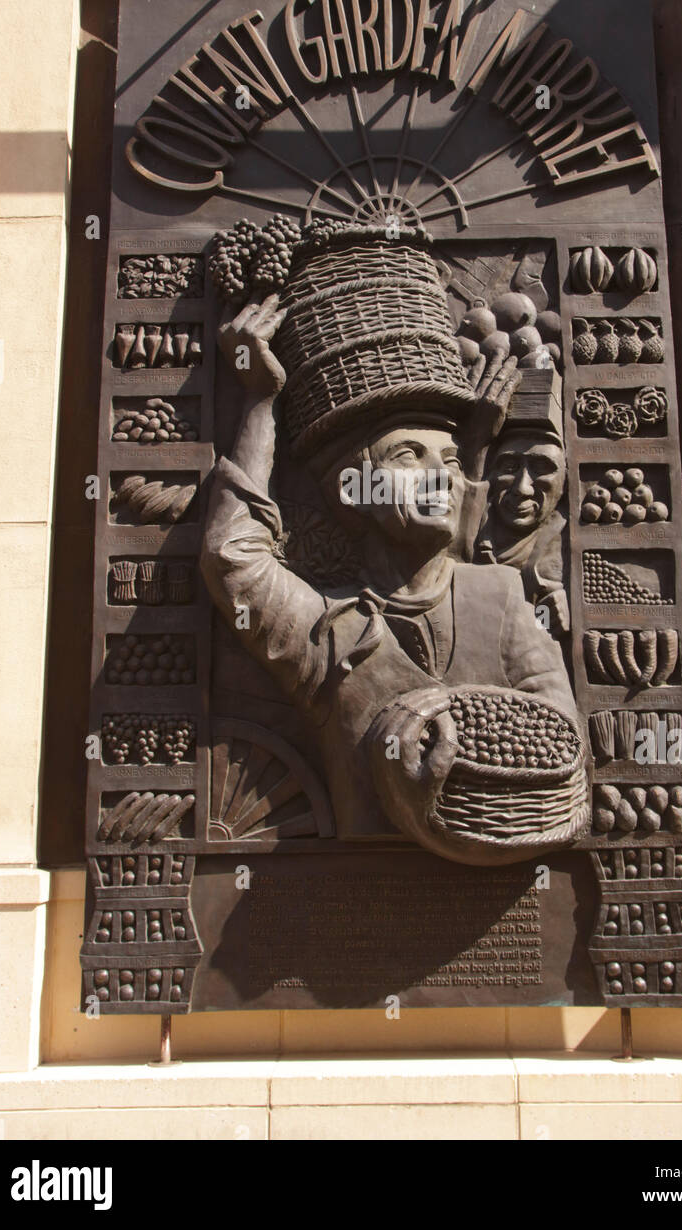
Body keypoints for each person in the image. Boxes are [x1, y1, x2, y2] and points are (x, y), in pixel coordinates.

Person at [201, 293, 585, 864]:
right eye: (410, 456)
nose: (442, 478)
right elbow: (234, 559)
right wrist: (259, 400)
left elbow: (559, 738)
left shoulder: (499, 597)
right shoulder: (328, 633)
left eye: (452, 461)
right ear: (352, 492)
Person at [477, 427, 570, 636]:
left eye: (541, 470)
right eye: (509, 468)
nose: (522, 489)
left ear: (565, 482)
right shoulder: (470, 532)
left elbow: (541, 629)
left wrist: (570, 607)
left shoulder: (570, 541)